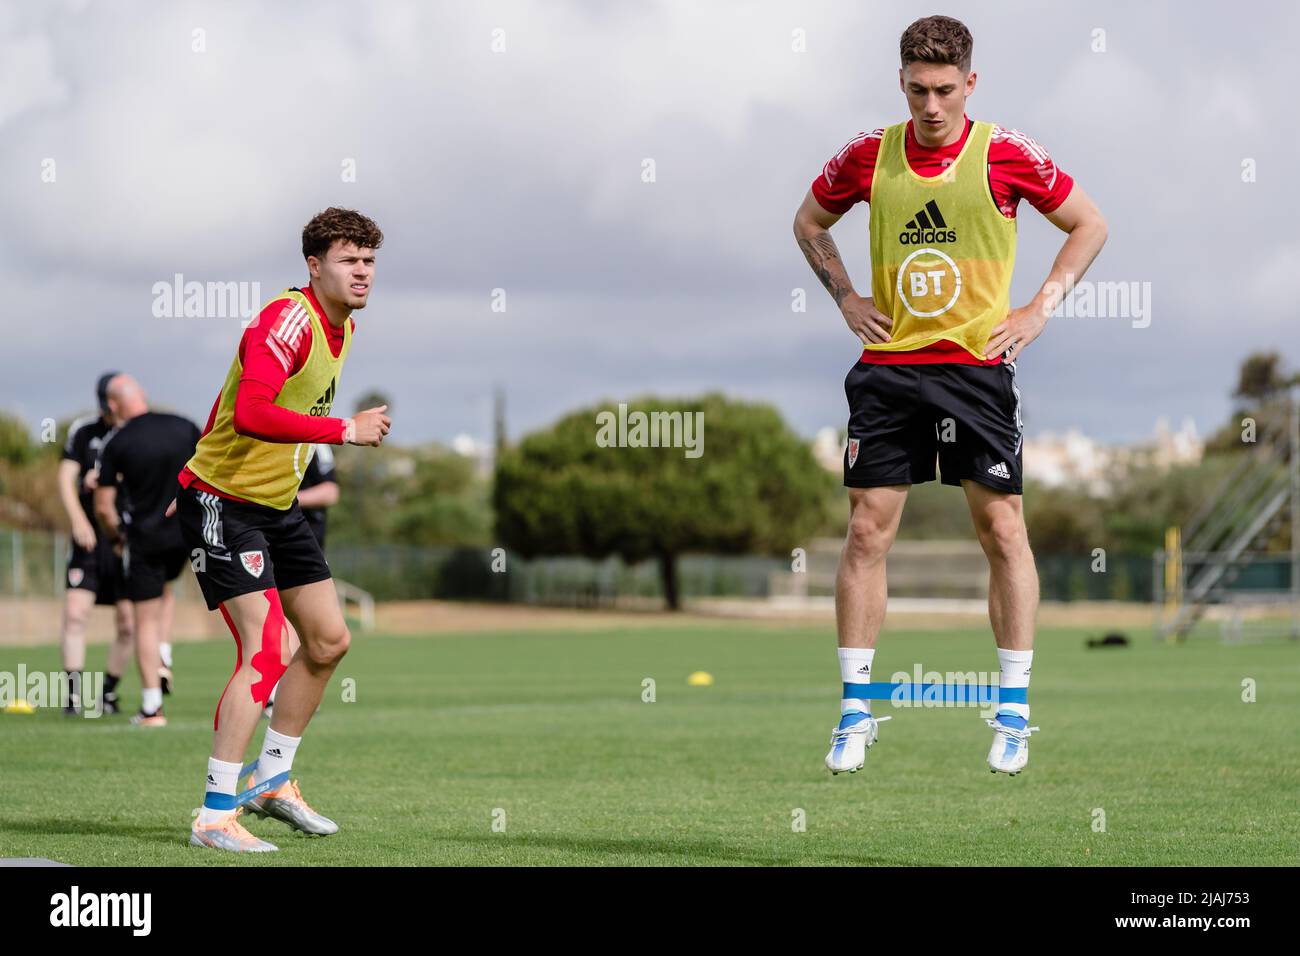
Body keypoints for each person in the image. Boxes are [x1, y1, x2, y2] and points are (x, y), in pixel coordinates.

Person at [792, 15, 1108, 776]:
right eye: (916, 90)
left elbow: (1088, 224)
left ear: (971, 83)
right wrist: (844, 299)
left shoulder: (1004, 154)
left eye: (943, 90)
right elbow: (808, 222)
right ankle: (856, 712)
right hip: (889, 368)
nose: (930, 106)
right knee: (867, 533)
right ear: (900, 82)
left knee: (1002, 532)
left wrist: (1038, 309)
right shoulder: (869, 155)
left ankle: (1013, 711)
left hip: (976, 370)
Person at [174, 207, 389, 853]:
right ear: (314, 265)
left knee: (326, 640)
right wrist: (344, 430)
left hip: (275, 505)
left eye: (370, 261)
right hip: (225, 501)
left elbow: (224, 401)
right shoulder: (286, 319)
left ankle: (271, 782)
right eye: (350, 260)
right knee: (267, 651)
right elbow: (249, 411)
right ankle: (214, 816)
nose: (362, 272)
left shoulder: (342, 329)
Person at [93, 375, 201, 726]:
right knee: (237, 610)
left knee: (145, 619)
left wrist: (116, 538)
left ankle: (152, 707)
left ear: (112, 406)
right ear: (143, 395)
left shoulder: (117, 442)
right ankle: (267, 696)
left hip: (146, 541)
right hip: (194, 534)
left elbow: (104, 507)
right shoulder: (184, 426)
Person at [57, 373, 135, 716]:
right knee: (76, 614)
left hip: (123, 540)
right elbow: (64, 478)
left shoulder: (135, 433)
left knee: (128, 624)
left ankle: (107, 693)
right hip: (89, 539)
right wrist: (78, 520)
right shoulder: (84, 431)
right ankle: (74, 696)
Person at [265, 445, 340, 718]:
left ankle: (298, 693)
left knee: (313, 628)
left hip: (304, 545)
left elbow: (330, 491)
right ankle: (279, 694)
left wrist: (287, 498)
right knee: (274, 620)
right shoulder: (262, 432)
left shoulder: (316, 442)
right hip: (263, 539)